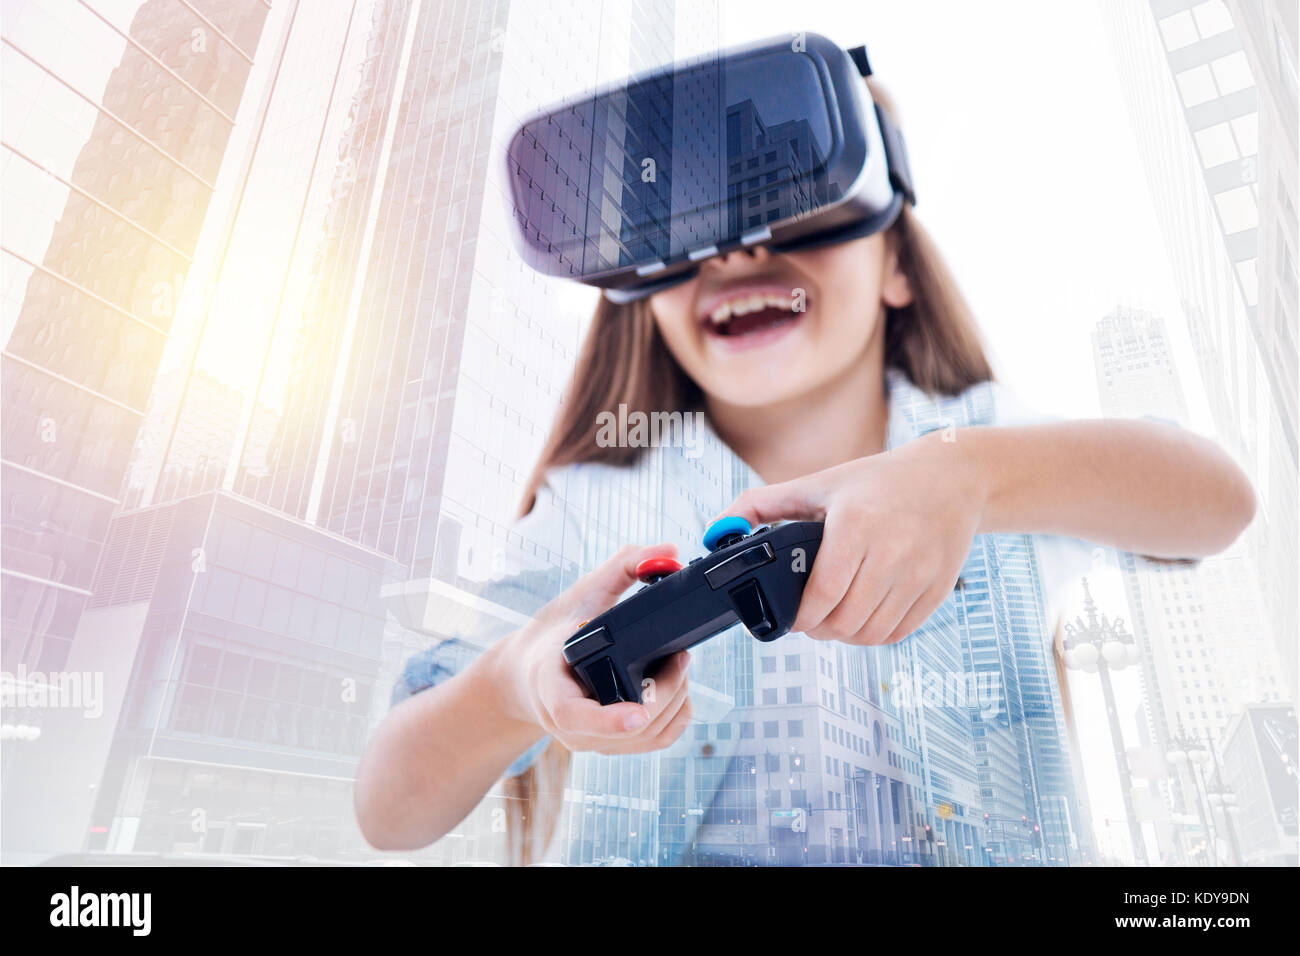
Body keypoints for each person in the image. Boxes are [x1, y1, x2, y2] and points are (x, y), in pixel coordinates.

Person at [353, 72, 1254, 867]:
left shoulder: (976, 446)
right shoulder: (602, 500)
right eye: (693, 229)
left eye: (793, 203)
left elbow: (1218, 500)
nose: (740, 250)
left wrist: (970, 476)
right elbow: (389, 810)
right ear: (648, 298)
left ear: (896, 262)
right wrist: (517, 680)